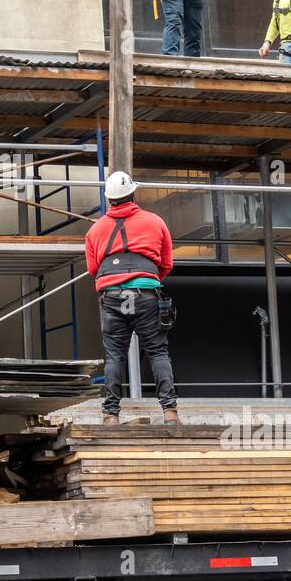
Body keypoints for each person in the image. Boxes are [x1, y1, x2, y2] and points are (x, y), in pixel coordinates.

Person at [85, 171, 179, 425]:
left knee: (115, 355)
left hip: (112, 295)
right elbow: (166, 263)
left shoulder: (95, 230)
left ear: (109, 199)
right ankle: (170, 413)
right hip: (145, 292)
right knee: (157, 352)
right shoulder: (154, 222)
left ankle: (111, 415)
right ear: (132, 193)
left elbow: (94, 269)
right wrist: (145, 278)